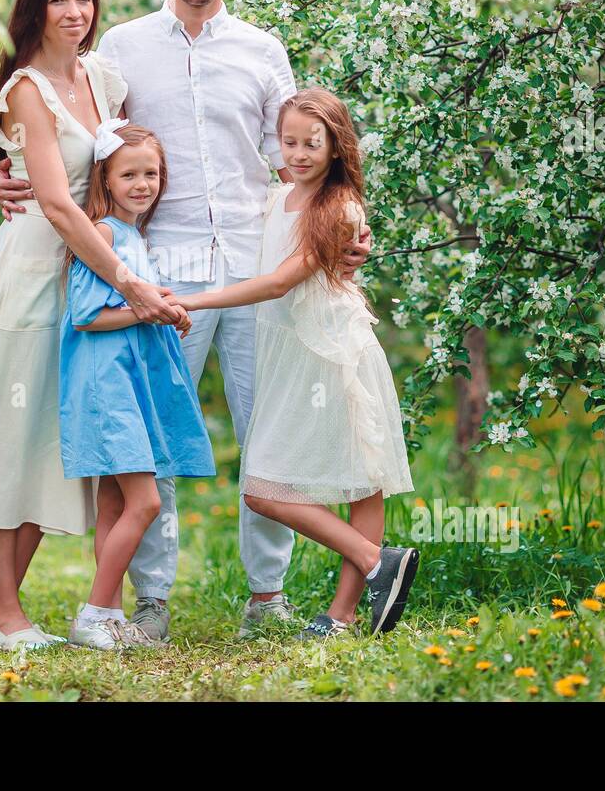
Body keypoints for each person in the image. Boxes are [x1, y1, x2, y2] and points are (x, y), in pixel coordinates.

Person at [0, 0, 373, 641]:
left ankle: (267, 599)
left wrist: (345, 230)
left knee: (270, 434)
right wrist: (5, 177)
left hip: (258, 263)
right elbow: (64, 135)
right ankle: (151, 604)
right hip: (155, 272)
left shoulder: (263, 51)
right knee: (153, 437)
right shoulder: (121, 53)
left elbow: (304, 155)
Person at [0, 0, 181, 653]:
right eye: (59, 1)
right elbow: (56, 202)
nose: (75, 13)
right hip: (34, 273)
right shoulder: (25, 91)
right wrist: (129, 282)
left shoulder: (102, 78)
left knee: (56, 440)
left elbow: (126, 162)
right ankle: (8, 618)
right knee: (8, 440)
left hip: (88, 275)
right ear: (34, 9)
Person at [169, 88, 418, 638]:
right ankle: (380, 563)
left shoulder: (340, 207)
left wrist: (194, 298)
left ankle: (345, 611)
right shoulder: (276, 196)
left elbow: (281, 281)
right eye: (289, 142)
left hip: (328, 349)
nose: (299, 153)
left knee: (358, 479)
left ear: (336, 146)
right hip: (285, 352)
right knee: (265, 485)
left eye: (313, 143)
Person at [59, 121, 215, 650]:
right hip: (108, 386)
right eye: (129, 174)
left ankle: (110, 615)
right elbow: (86, 316)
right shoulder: (101, 233)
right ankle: (95, 613)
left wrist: (161, 303)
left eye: (151, 173)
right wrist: (147, 311)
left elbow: (130, 303)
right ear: (106, 177)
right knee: (145, 502)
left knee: (112, 505)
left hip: (128, 382)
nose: (142, 184)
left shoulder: (133, 238)